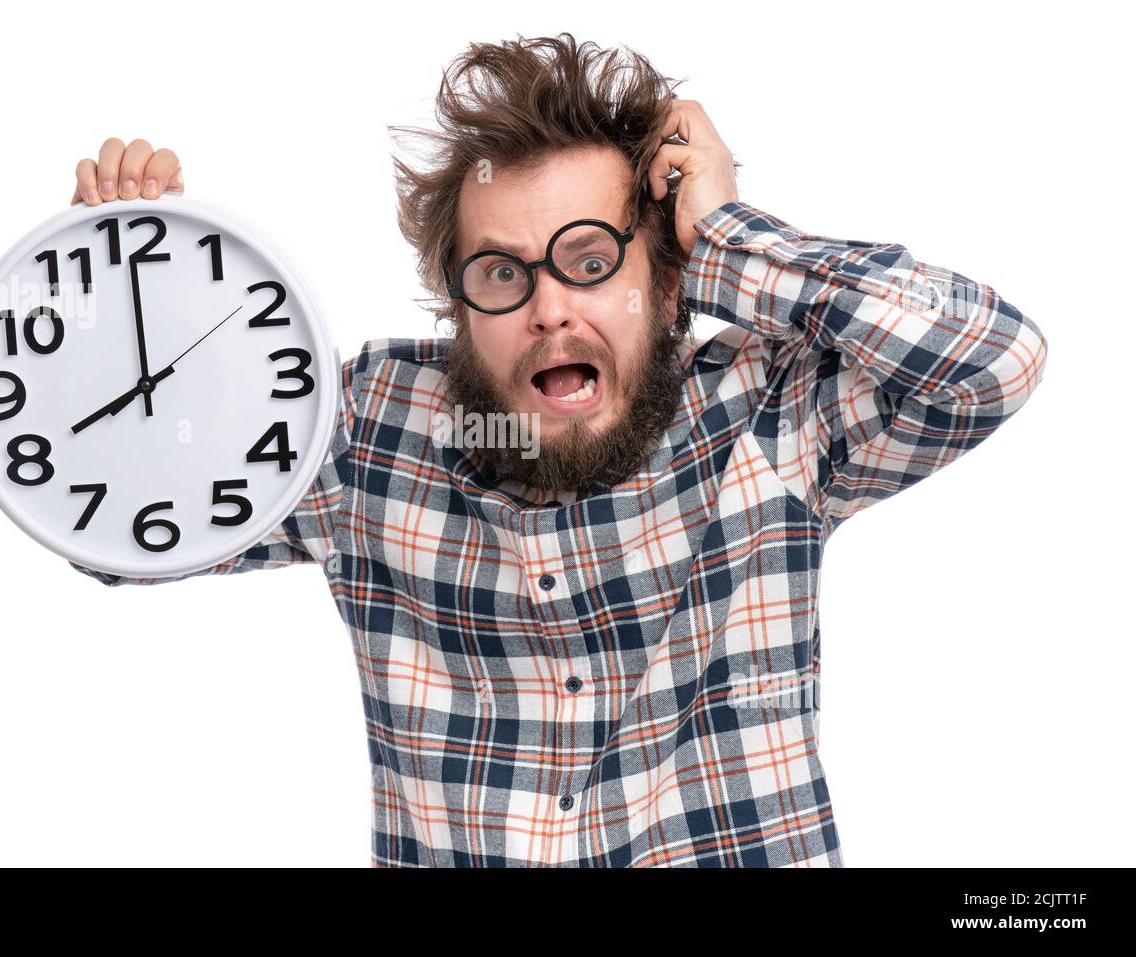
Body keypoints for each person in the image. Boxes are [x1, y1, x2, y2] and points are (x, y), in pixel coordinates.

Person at [69, 34, 1048, 867]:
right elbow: (119, 534)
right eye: (499, 273)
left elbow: (992, 362)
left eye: (590, 263)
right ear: (456, 310)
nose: (547, 310)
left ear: (669, 287)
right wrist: (124, 303)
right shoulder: (366, 431)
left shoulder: (770, 417)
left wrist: (722, 233)